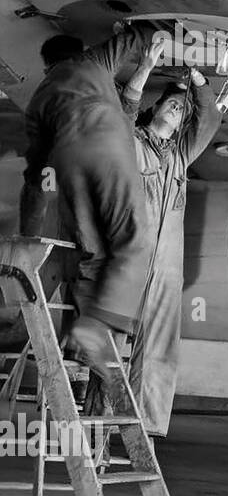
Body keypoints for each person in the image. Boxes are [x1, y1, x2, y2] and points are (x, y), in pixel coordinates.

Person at [20, 25, 175, 374]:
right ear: (80, 51)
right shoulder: (95, 61)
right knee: (133, 243)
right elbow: (136, 36)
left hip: (68, 164)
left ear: (47, 66)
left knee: (92, 252)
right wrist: (156, 30)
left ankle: (84, 339)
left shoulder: (38, 101)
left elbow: (34, 180)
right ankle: (94, 329)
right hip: (108, 152)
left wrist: (27, 237)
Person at [118, 43, 223, 436]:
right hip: (127, 260)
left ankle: (144, 427)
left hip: (165, 269)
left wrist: (198, 80)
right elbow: (124, 110)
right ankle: (97, 428)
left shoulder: (181, 157)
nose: (177, 108)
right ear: (157, 107)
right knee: (108, 348)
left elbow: (210, 119)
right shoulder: (130, 142)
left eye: (182, 109)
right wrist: (146, 66)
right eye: (172, 103)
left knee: (159, 348)